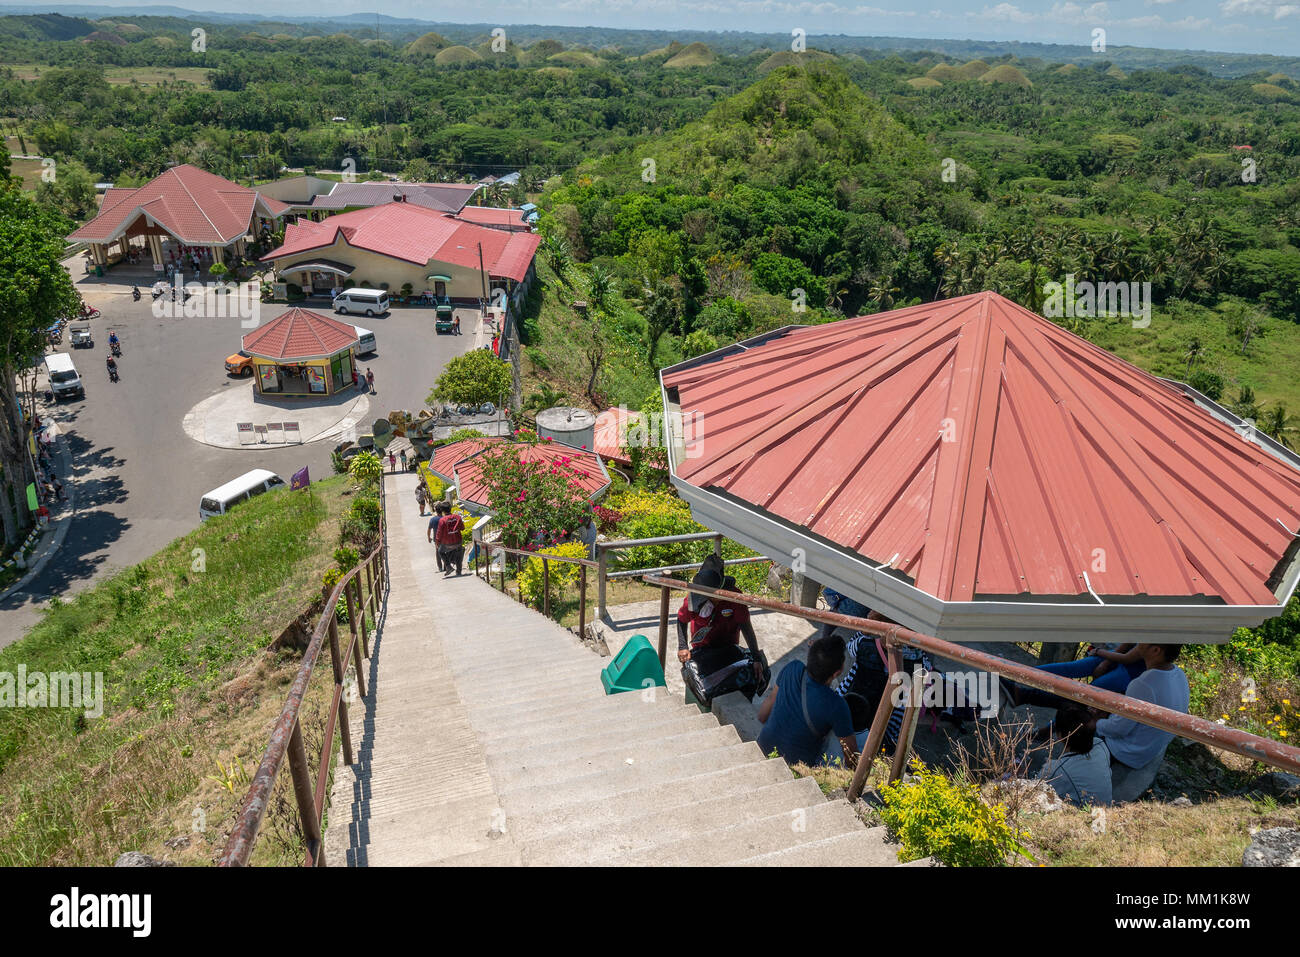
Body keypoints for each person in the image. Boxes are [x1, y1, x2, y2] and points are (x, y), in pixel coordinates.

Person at [757, 634, 859, 769]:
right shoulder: (836, 705)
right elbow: (852, 758)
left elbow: (762, 716)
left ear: (809, 657)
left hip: (762, 746)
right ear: (837, 672)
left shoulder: (792, 668)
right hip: (795, 768)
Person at [1095, 643, 1189, 773]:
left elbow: (1118, 729)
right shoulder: (1178, 674)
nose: (1139, 642)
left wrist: (1096, 722)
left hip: (1126, 752)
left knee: (1078, 722)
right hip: (1148, 750)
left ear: (1156, 650)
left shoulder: (1143, 684)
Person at [676, 554, 763, 689]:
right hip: (701, 648)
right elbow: (681, 619)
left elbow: (746, 626)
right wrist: (683, 647)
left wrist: (757, 658)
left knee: (728, 683)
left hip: (728, 646)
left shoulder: (735, 598)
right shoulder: (694, 600)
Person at [1035, 703, 1112, 806]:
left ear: (1060, 735)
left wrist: (1020, 775)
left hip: (1082, 817)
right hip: (1105, 812)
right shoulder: (1101, 745)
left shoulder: (1055, 771)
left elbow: (1033, 794)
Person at [435, 502, 466, 576]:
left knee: (440, 551)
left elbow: (439, 534)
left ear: (442, 511)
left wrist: (437, 543)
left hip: (447, 544)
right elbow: (462, 528)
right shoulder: (457, 517)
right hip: (458, 541)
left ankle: (448, 566)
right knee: (459, 553)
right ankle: (458, 571)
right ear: (450, 508)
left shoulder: (442, 520)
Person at [426, 503, 445, 571]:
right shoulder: (444, 518)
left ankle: (440, 567)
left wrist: (428, 537)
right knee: (445, 552)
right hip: (445, 538)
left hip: (437, 539)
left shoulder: (433, 520)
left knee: (438, 552)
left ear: (435, 510)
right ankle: (446, 566)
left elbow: (429, 530)